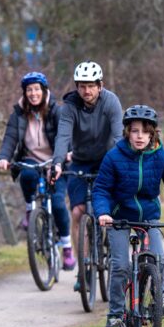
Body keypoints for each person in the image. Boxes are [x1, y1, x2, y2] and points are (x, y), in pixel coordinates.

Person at [92, 105, 164, 327]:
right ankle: (116, 316)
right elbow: (100, 189)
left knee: (157, 257)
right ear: (127, 133)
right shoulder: (114, 156)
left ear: (153, 134)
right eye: (134, 131)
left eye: (144, 131)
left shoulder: (161, 157)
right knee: (120, 265)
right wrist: (103, 212)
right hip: (119, 217)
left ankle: (158, 296)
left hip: (148, 216)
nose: (139, 136)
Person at [52, 61, 123, 290]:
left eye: (91, 86)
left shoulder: (111, 101)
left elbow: (118, 136)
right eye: (82, 86)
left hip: (107, 160)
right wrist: (57, 163)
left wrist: (120, 162)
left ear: (100, 86)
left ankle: (110, 250)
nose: (86, 91)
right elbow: (63, 136)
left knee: (109, 209)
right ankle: (83, 270)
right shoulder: (70, 105)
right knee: (77, 211)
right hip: (81, 161)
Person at [0, 71, 76, 270]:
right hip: (31, 159)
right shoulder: (19, 114)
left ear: (44, 91)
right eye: (29, 90)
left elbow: (64, 137)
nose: (33, 93)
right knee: (27, 174)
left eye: (36, 89)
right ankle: (30, 209)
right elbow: (10, 137)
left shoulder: (57, 111)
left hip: (56, 161)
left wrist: (68, 153)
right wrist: (3, 158)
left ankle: (66, 247)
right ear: (25, 93)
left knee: (58, 204)